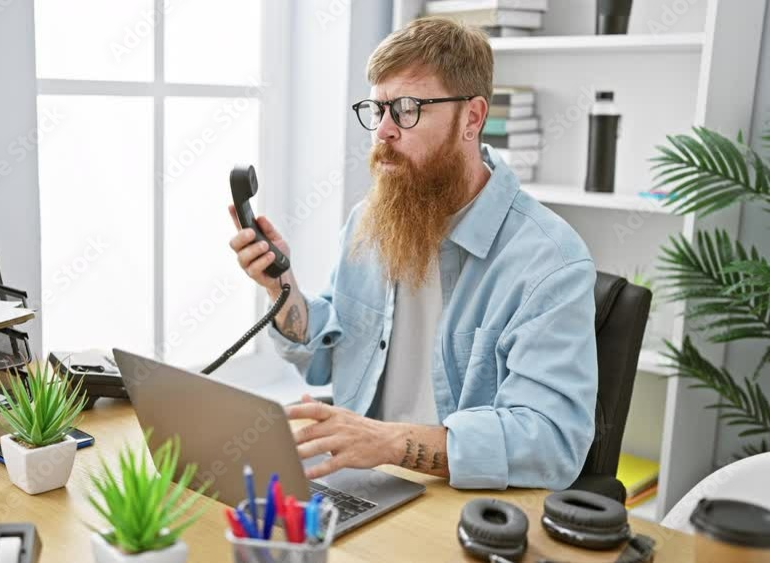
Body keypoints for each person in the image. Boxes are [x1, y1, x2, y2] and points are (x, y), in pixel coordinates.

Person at [227, 17, 597, 490]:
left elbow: (552, 442)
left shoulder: (550, 261)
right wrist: (283, 287)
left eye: (405, 108)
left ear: (473, 117)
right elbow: (326, 357)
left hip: (459, 504)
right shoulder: (372, 219)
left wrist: (391, 442)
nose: (382, 131)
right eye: (376, 109)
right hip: (365, 483)